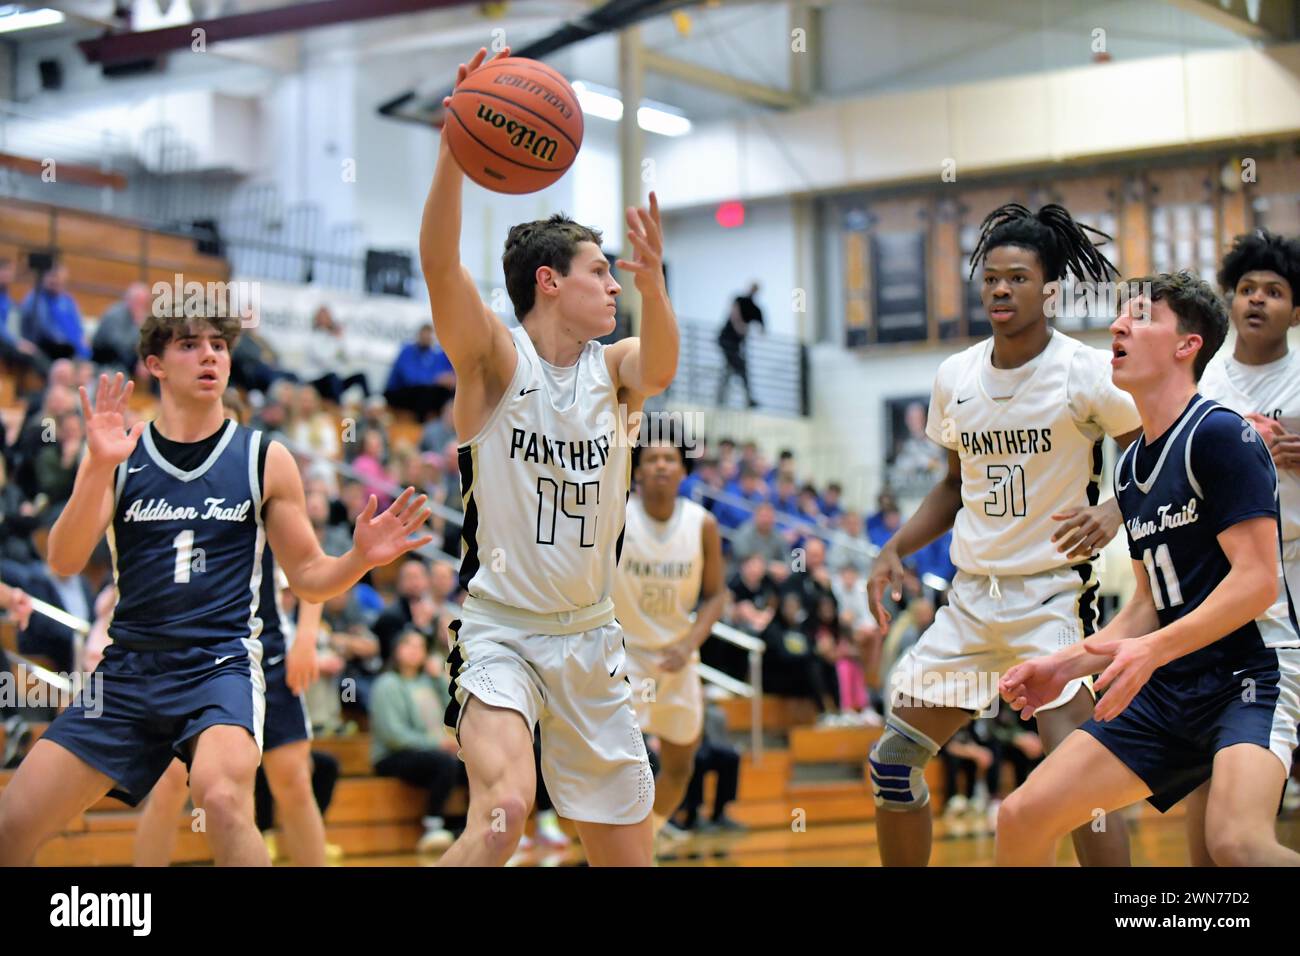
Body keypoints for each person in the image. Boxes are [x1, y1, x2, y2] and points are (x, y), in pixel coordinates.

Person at [0, 305, 432, 866]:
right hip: (129, 670)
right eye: (189, 344)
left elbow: (308, 578)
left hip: (218, 666)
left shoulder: (264, 458)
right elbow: (62, 559)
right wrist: (95, 468)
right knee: (12, 826)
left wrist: (357, 558)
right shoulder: (121, 453)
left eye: (219, 345)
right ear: (153, 363)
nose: (209, 354)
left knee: (224, 798)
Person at [422, 47, 678, 868]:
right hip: (500, 631)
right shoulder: (495, 363)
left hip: (593, 638)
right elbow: (439, 265)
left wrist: (659, 284)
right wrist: (453, 146)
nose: (614, 287)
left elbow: (664, 368)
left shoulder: (616, 370)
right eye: (601, 273)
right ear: (549, 282)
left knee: (627, 857)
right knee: (502, 812)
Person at [866, 203, 1142, 867]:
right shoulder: (956, 376)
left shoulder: (1087, 371)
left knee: (1076, 776)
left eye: (1016, 278)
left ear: (1048, 290)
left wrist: (1112, 512)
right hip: (971, 601)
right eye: (990, 278)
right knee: (894, 762)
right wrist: (894, 548)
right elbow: (952, 486)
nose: (999, 289)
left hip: (1051, 597)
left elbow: (1150, 457)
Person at [996, 272, 1300, 867]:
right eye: (1120, 316)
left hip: (1252, 674)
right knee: (1021, 815)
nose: (1118, 325)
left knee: (1236, 846)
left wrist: (1154, 649)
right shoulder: (1131, 463)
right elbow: (1145, 603)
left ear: (1187, 345)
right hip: (1171, 685)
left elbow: (1258, 580)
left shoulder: (1219, 434)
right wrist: (1068, 664)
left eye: (1142, 316)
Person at [613, 441, 726, 840]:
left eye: (670, 459)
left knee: (681, 765)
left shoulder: (702, 523)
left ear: (683, 471)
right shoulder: (616, 515)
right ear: (637, 470)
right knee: (617, 764)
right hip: (623, 657)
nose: (661, 465)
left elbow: (716, 595)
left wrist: (691, 642)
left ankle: (648, 836)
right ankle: (609, 842)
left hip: (678, 657)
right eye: (651, 459)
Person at [369, 629, 467, 853]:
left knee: (471, 763)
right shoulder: (387, 684)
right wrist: (438, 744)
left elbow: (452, 712)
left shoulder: (429, 682)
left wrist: (441, 680)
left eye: (420, 647)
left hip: (433, 752)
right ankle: (433, 825)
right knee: (443, 763)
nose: (415, 651)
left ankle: (467, 825)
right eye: (409, 645)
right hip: (393, 756)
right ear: (396, 650)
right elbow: (394, 735)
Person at [384, 323, 455, 420]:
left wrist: (447, 379)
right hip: (396, 392)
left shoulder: (433, 354)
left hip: (417, 393)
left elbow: (443, 374)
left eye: (429, 337)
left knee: (445, 391)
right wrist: (436, 379)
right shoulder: (407, 351)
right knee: (425, 391)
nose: (427, 339)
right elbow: (410, 378)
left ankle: (442, 422)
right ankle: (420, 423)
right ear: (419, 336)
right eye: (424, 336)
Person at [20, 262, 88, 361]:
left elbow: (78, 327)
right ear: (44, 277)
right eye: (52, 276)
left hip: (69, 348)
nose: (55, 281)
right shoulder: (35, 299)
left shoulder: (68, 300)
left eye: (59, 278)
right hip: (45, 347)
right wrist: (67, 341)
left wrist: (81, 339)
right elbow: (45, 329)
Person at [716, 281, 763, 408]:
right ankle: (746, 399)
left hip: (737, 345)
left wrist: (750, 330)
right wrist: (740, 327)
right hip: (726, 340)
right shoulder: (740, 299)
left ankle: (721, 398)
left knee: (730, 369)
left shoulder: (756, 309)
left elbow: (761, 328)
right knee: (740, 368)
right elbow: (734, 314)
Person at [91, 283, 150, 374]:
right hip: (105, 361)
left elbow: (146, 343)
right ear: (129, 300)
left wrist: (142, 360)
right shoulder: (114, 315)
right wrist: (138, 326)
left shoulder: (137, 316)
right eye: (138, 302)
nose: (141, 308)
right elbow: (121, 346)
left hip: (124, 361)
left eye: (144, 304)